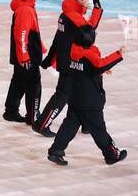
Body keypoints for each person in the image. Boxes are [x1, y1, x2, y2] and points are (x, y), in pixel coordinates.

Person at [47, 25, 128, 167]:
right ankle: (112, 154)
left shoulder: (72, 51)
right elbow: (99, 64)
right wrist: (118, 54)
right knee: (98, 129)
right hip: (90, 100)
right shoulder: (88, 55)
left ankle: (56, 150)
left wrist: (100, 69)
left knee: (69, 126)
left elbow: (91, 67)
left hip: (75, 97)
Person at [35, 0, 101, 136]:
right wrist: (97, 10)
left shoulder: (66, 14)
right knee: (63, 95)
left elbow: (58, 38)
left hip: (67, 61)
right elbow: (89, 31)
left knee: (81, 93)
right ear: (79, 0)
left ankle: (85, 124)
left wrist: (50, 58)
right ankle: (42, 123)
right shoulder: (73, 16)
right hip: (72, 63)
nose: (87, 1)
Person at [4, 0, 44, 126]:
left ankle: (11, 111)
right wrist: (24, 57)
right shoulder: (25, 9)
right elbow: (21, 35)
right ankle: (33, 116)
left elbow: (30, 32)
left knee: (18, 82)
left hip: (24, 54)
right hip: (27, 56)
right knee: (34, 85)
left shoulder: (24, 5)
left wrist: (41, 46)